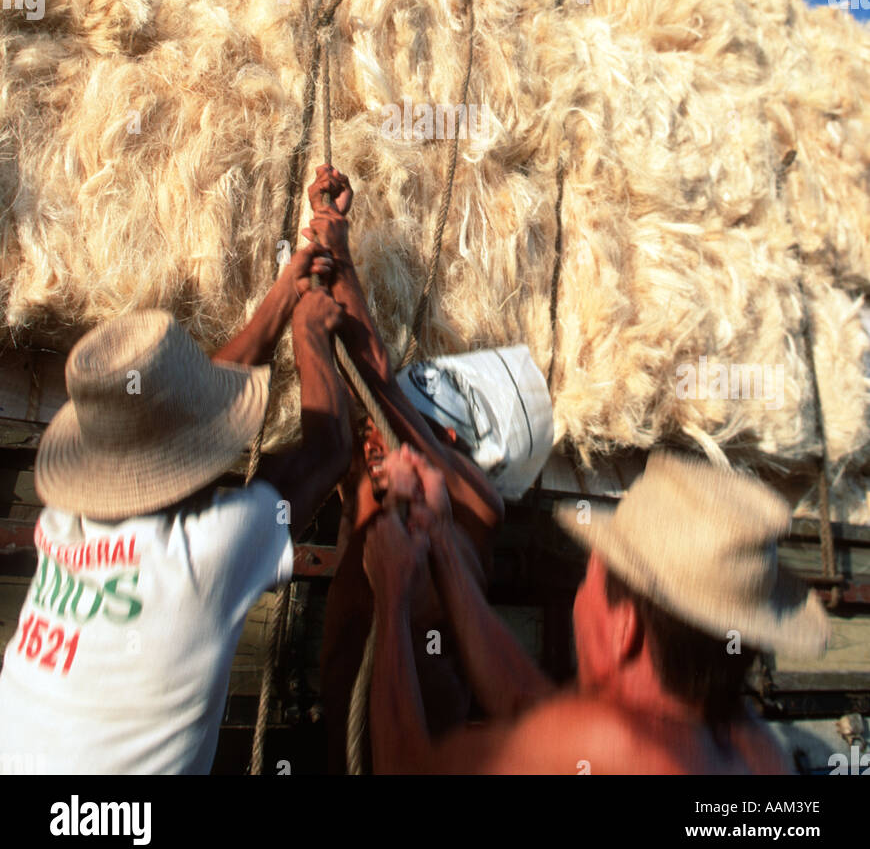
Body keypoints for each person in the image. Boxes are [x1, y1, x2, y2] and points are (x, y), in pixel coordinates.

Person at [0, 217, 354, 775]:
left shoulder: (62, 522)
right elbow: (330, 449)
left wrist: (285, 293)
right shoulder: (203, 553)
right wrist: (310, 334)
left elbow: (188, 404)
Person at [363, 449, 830, 774]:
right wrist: (442, 539)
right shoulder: (759, 752)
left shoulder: (606, 746)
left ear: (625, 627)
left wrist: (392, 592)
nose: (580, 598)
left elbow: (404, 767)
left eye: (586, 580)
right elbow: (530, 705)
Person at [302, 165, 504, 772]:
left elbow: (378, 381)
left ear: (446, 437)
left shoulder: (473, 505)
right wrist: (320, 276)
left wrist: (338, 249)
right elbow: (361, 381)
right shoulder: (369, 476)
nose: (373, 441)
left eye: (387, 431)